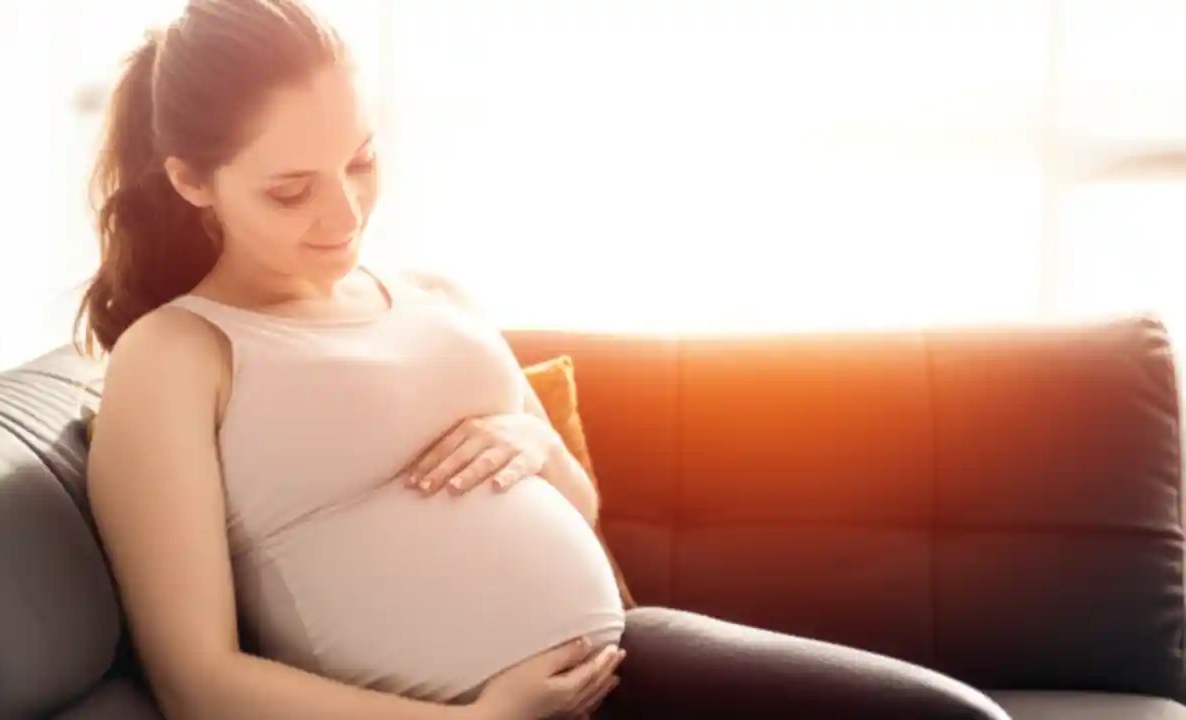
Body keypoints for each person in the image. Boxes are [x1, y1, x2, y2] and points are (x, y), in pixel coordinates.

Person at [80, 1, 1012, 718]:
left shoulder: (430, 292)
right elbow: (196, 680)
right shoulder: (179, 356)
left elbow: (583, 504)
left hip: (628, 661)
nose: (345, 216)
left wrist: (529, 443)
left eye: (360, 162)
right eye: (289, 191)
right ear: (193, 180)